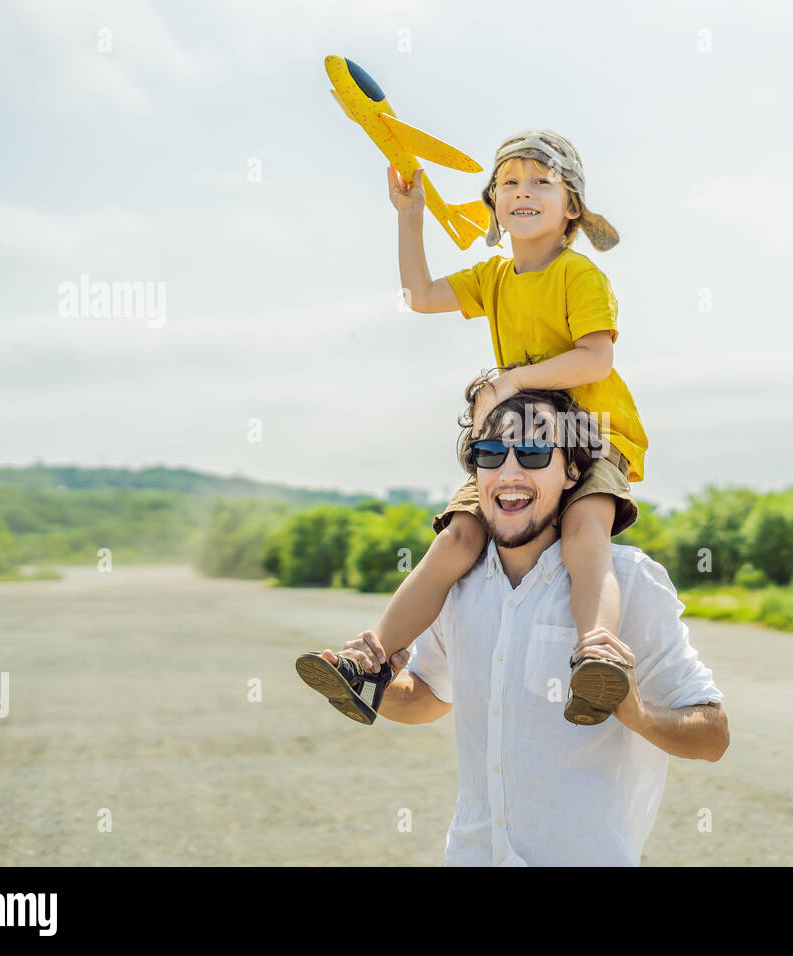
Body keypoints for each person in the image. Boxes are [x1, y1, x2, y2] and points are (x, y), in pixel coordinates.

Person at [297, 129, 648, 726]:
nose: (523, 191)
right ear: (492, 206)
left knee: (586, 530)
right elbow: (420, 295)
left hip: (592, 432)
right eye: (508, 182)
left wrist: (509, 382)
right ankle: (374, 658)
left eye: (542, 180)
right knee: (457, 536)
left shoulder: (579, 275)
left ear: (572, 209)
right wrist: (410, 217)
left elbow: (596, 359)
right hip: (518, 438)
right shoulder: (493, 277)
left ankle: (598, 655)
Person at [301, 389, 726, 866]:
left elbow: (713, 736)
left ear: (571, 473)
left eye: (534, 452)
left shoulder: (629, 583)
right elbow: (429, 697)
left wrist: (634, 712)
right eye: (490, 453)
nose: (509, 471)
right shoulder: (456, 585)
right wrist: (377, 682)